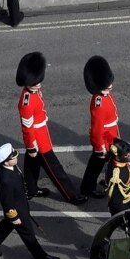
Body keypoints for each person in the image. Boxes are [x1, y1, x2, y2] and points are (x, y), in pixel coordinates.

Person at [16, 52, 87, 204]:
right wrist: (32, 146)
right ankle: (70, 195)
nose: (38, 84)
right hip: (38, 139)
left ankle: (31, 189)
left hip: (40, 133)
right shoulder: (26, 102)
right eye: (35, 82)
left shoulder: (33, 91)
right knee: (54, 168)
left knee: (32, 164)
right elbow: (27, 127)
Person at [0, 143, 60, 259]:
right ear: (6, 162)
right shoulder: (5, 179)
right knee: (28, 235)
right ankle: (42, 257)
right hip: (17, 211)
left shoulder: (12, 167)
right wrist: (14, 216)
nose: (16, 158)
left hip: (20, 205)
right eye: (13, 157)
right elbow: (7, 201)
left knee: (6, 226)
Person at [81, 55, 121, 198]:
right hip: (105, 140)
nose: (109, 87)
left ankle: (97, 184)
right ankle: (88, 188)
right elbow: (98, 128)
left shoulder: (105, 95)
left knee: (104, 164)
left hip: (111, 135)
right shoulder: (99, 102)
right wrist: (100, 147)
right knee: (98, 164)